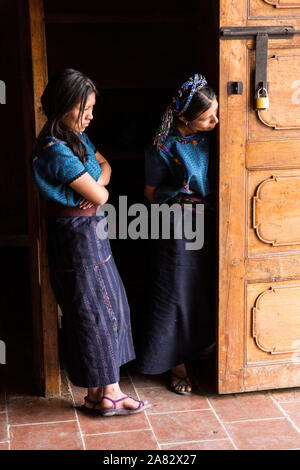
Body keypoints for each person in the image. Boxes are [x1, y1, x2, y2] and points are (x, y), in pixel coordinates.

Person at [30, 68, 150, 416]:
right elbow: (99, 190)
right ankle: (109, 393)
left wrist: (100, 188)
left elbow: (104, 167)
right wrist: (100, 190)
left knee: (109, 304)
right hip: (75, 239)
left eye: (92, 107)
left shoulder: (75, 139)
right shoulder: (54, 150)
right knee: (94, 312)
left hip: (90, 234)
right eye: (85, 108)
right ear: (63, 106)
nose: (91, 116)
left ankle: (100, 394)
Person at [136, 74, 218, 395]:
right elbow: (150, 192)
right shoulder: (162, 146)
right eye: (207, 116)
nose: (216, 119)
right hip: (179, 221)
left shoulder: (212, 136)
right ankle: (176, 362)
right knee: (176, 288)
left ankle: (202, 343)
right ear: (184, 118)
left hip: (213, 216)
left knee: (206, 283)